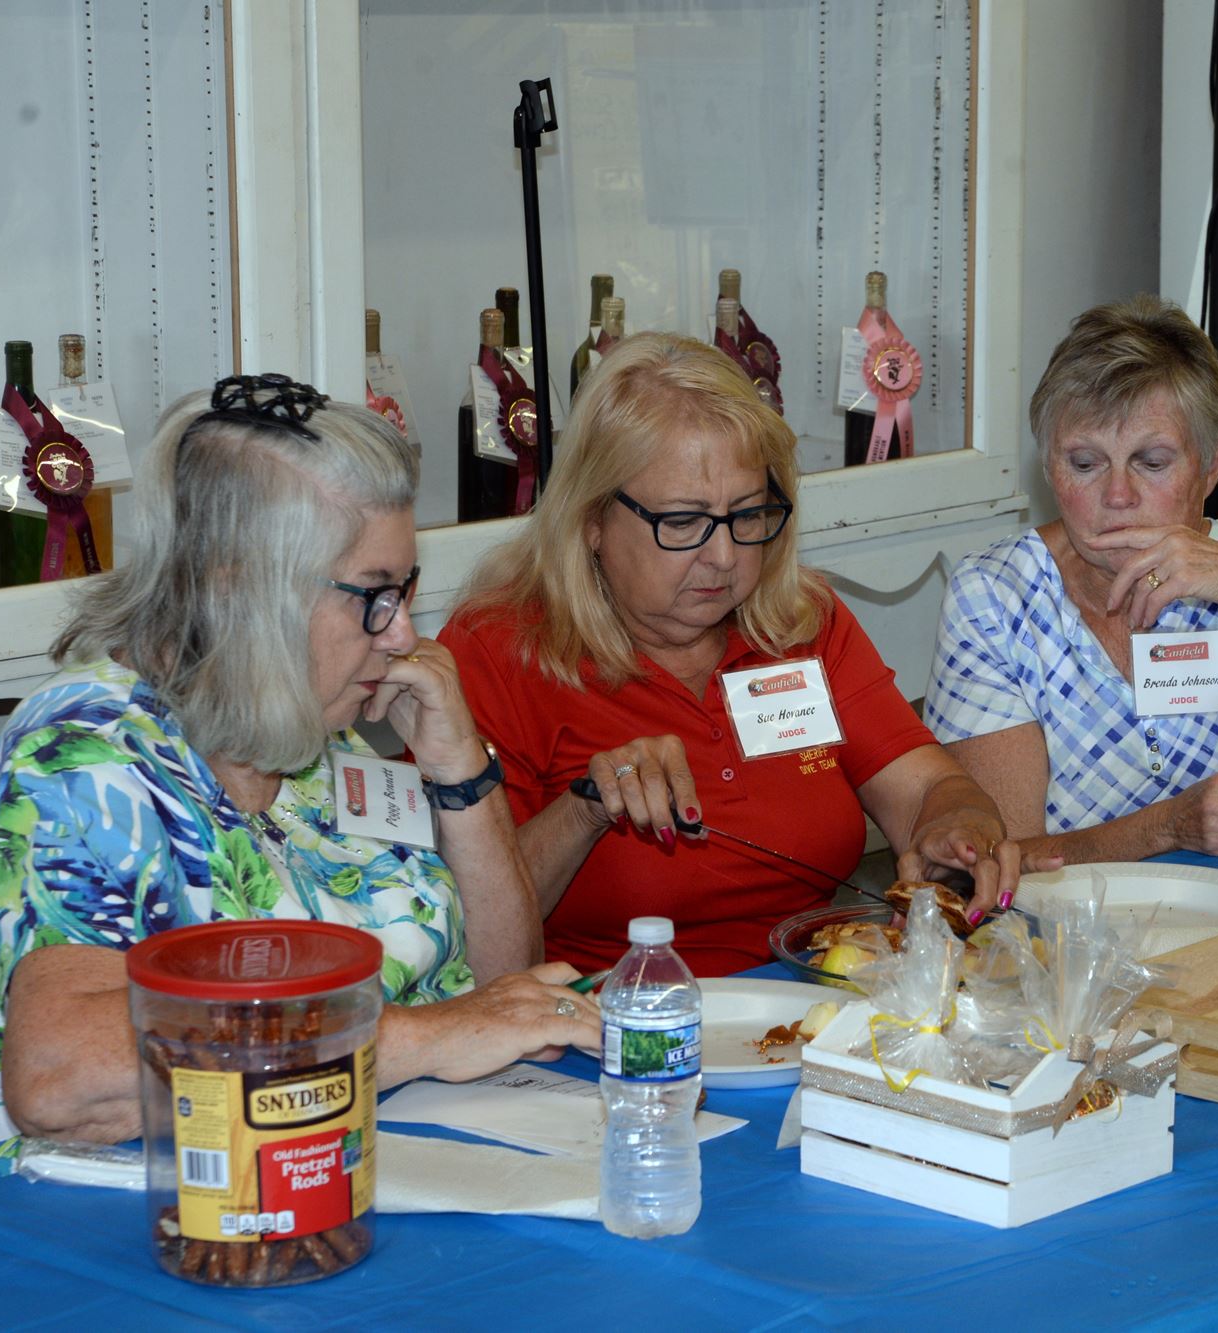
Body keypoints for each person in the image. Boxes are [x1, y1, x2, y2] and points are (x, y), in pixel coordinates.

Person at [0, 375, 599, 1217]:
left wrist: (462, 772)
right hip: (75, 1230)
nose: (405, 634)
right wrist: (419, 1037)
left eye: (407, 590)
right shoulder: (85, 759)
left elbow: (500, 989)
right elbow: (61, 1079)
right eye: (374, 595)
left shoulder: (316, 733)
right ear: (238, 588)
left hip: (330, 1185)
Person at [439, 333, 1027, 976]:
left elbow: (930, 790)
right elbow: (458, 928)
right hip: (612, 1018)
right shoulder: (499, 651)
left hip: (812, 999)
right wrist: (584, 809)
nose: (723, 557)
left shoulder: (801, 622)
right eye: (682, 522)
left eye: (748, 516)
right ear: (591, 520)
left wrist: (958, 830)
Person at [925, 295, 1218, 862]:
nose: (1118, 496)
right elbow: (1005, 860)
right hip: (1076, 916)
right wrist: (1163, 829)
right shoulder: (994, 597)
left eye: (1151, 463)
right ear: (1048, 467)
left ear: (1212, 466)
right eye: (1085, 463)